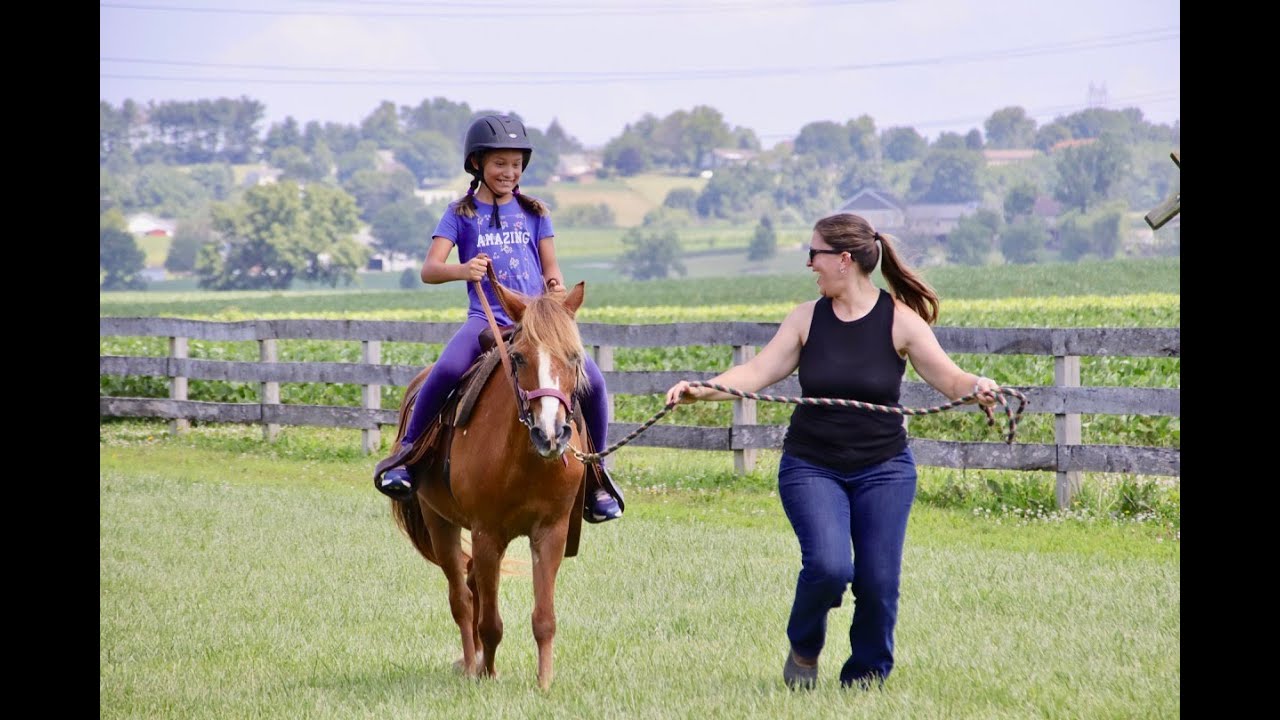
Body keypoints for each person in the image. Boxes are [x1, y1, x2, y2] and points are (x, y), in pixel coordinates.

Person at [665, 212, 1000, 690]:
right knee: (828, 567)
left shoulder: (900, 321)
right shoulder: (806, 319)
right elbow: (757, 373)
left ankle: (865, 677)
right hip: (812, 465)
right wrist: (705, 389)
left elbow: (950, 378)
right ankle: (804, 649)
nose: (809, 264)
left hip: (884, 470)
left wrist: (978, 386)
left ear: (844, 260)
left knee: (878, 583)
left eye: (814, 254)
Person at [375, 114, 623, 523]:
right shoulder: (460, 213)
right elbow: (430, 269)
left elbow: (551, 269)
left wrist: (556, 287)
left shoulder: (535, 212)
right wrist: (463, 269)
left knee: (593, 381)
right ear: (477, 165)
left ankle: (596, 475)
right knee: (447, 370)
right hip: (485, 318)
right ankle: (406, 456)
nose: (509, 172)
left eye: (515, 164)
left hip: (537, 323)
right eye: (499, 164)